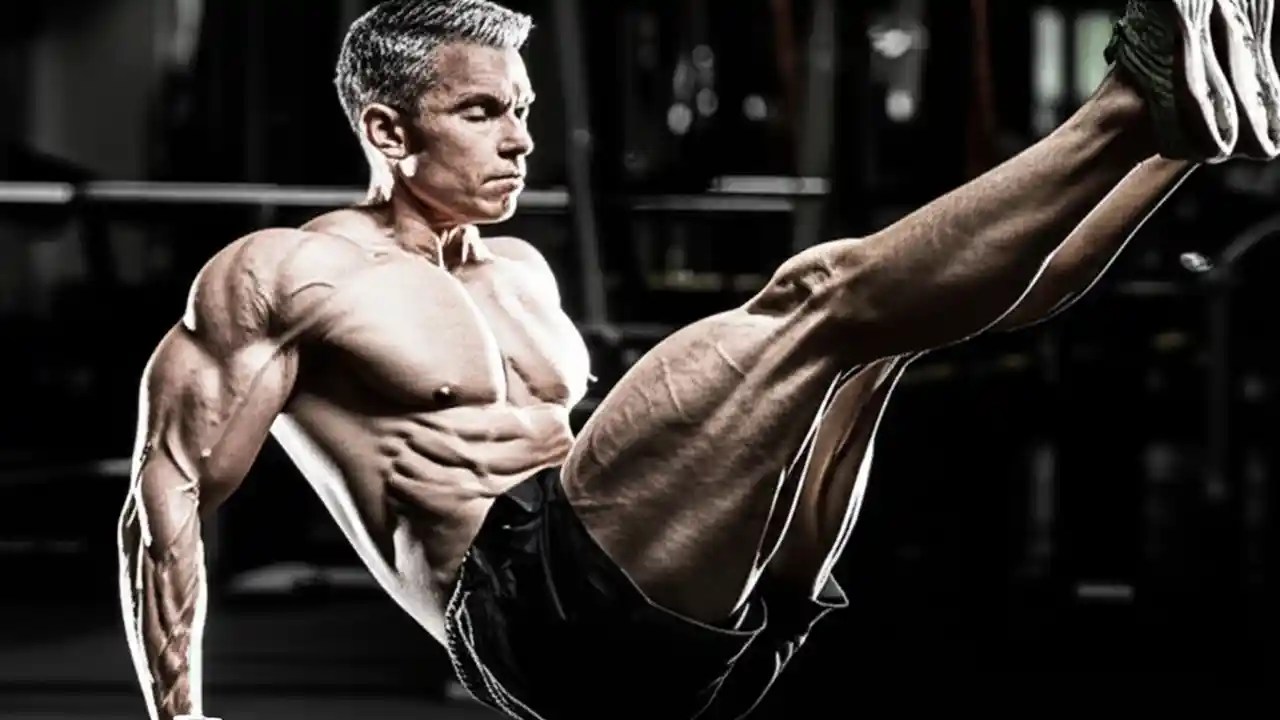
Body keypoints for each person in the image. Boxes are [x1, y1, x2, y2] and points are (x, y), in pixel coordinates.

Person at [116, 1, 1278, 719]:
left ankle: (1170, 147)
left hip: (712, 636)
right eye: (481, 112)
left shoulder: (517, 272)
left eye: (519, 108)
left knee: (883, 336)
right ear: (386, 130)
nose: (519, 135)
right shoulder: (287, 272)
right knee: (819, 299)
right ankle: (1132, 104)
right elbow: (162, 501)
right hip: (531, 621)